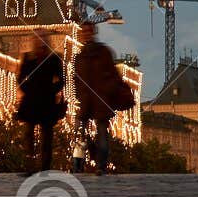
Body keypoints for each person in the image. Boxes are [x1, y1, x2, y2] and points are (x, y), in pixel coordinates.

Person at [72, 21, 132, 176]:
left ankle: (101, 166)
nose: (85, 33)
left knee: (102, 134)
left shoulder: (103, 52)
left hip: (100, 101)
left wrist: (107, 90)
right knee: (81, 134)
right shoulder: (79, 56)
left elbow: (113, 74)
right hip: (86, 101)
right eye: (83, 31)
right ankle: (83, 162)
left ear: (93, 32)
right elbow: (77, 79)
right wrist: (79, 94)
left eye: (88, 30)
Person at [16, 32, 66, 172]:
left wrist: (51, 90)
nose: (39, 42)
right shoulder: (28, 58)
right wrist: (27, 89)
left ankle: (45, 167)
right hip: (31, 101)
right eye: (37, 39)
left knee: (47, 137)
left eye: (42, 39)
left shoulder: (54, 58)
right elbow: (20, 77)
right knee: (29, 136)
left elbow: (62, 80)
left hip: (47, 102)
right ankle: (30, 166)